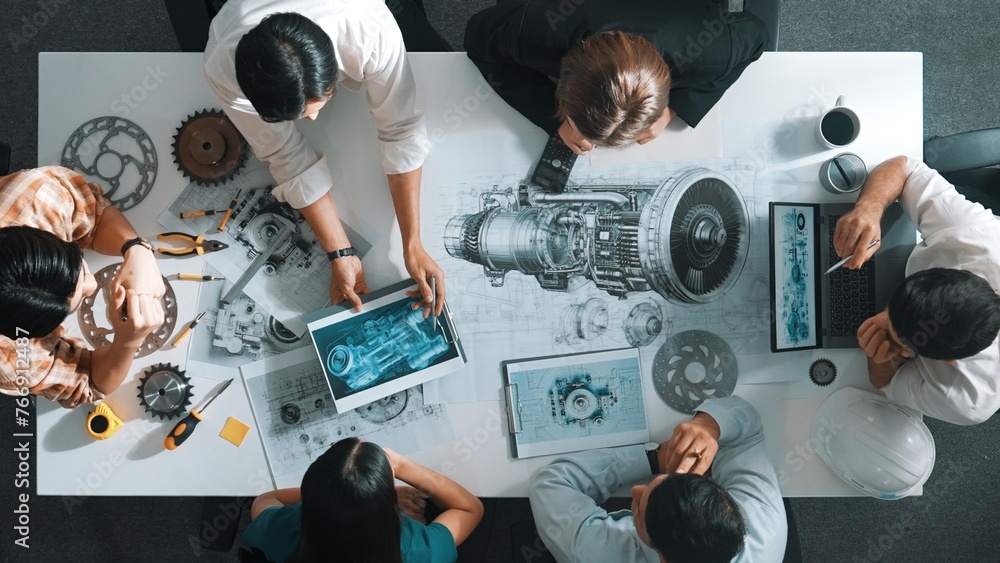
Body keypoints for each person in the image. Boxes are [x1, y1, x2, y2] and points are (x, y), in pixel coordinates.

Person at [204, 0, 445, 316]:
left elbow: (400, 127)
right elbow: (285, 155)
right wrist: (341, 254)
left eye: (318, 103)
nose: (313, 120)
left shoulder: (369, 26)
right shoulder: (223, 68)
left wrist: (412, 243)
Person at [464, 0, 770, 154]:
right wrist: (552, 118)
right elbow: (476, 37)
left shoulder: (712, 51)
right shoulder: (533, 32)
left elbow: (757, 36)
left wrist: (675, 109)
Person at [834, 155, 1000, 425]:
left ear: (947, 361)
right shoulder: (972, 235)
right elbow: (905, 167)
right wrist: (868, 210)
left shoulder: (967, 400)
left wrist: (880, 358)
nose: (882, 319)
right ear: (943, 269)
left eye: (899, 338)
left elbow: (888, 384)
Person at [529, 396, 786, 563]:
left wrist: (654, 459)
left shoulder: (603, 555)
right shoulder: (765, 528)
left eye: (639, 508)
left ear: (663, 558)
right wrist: (708, 426)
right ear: (725, 499)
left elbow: (552, 483)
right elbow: (748, 427)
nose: (636, 490)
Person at [0, 166, 165, 408]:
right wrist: (128, 342)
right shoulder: (12, 361)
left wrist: (136, 249)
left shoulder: (34, 197)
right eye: (72, 305)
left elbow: (94, 212)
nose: (94, 283)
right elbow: (90, 382)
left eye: (79, 263)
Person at [244, 437, 484, 562]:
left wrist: (340, 493)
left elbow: (266, 499)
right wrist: (402, 466)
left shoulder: (281, 531)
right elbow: (470, 509)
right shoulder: (420, 550)